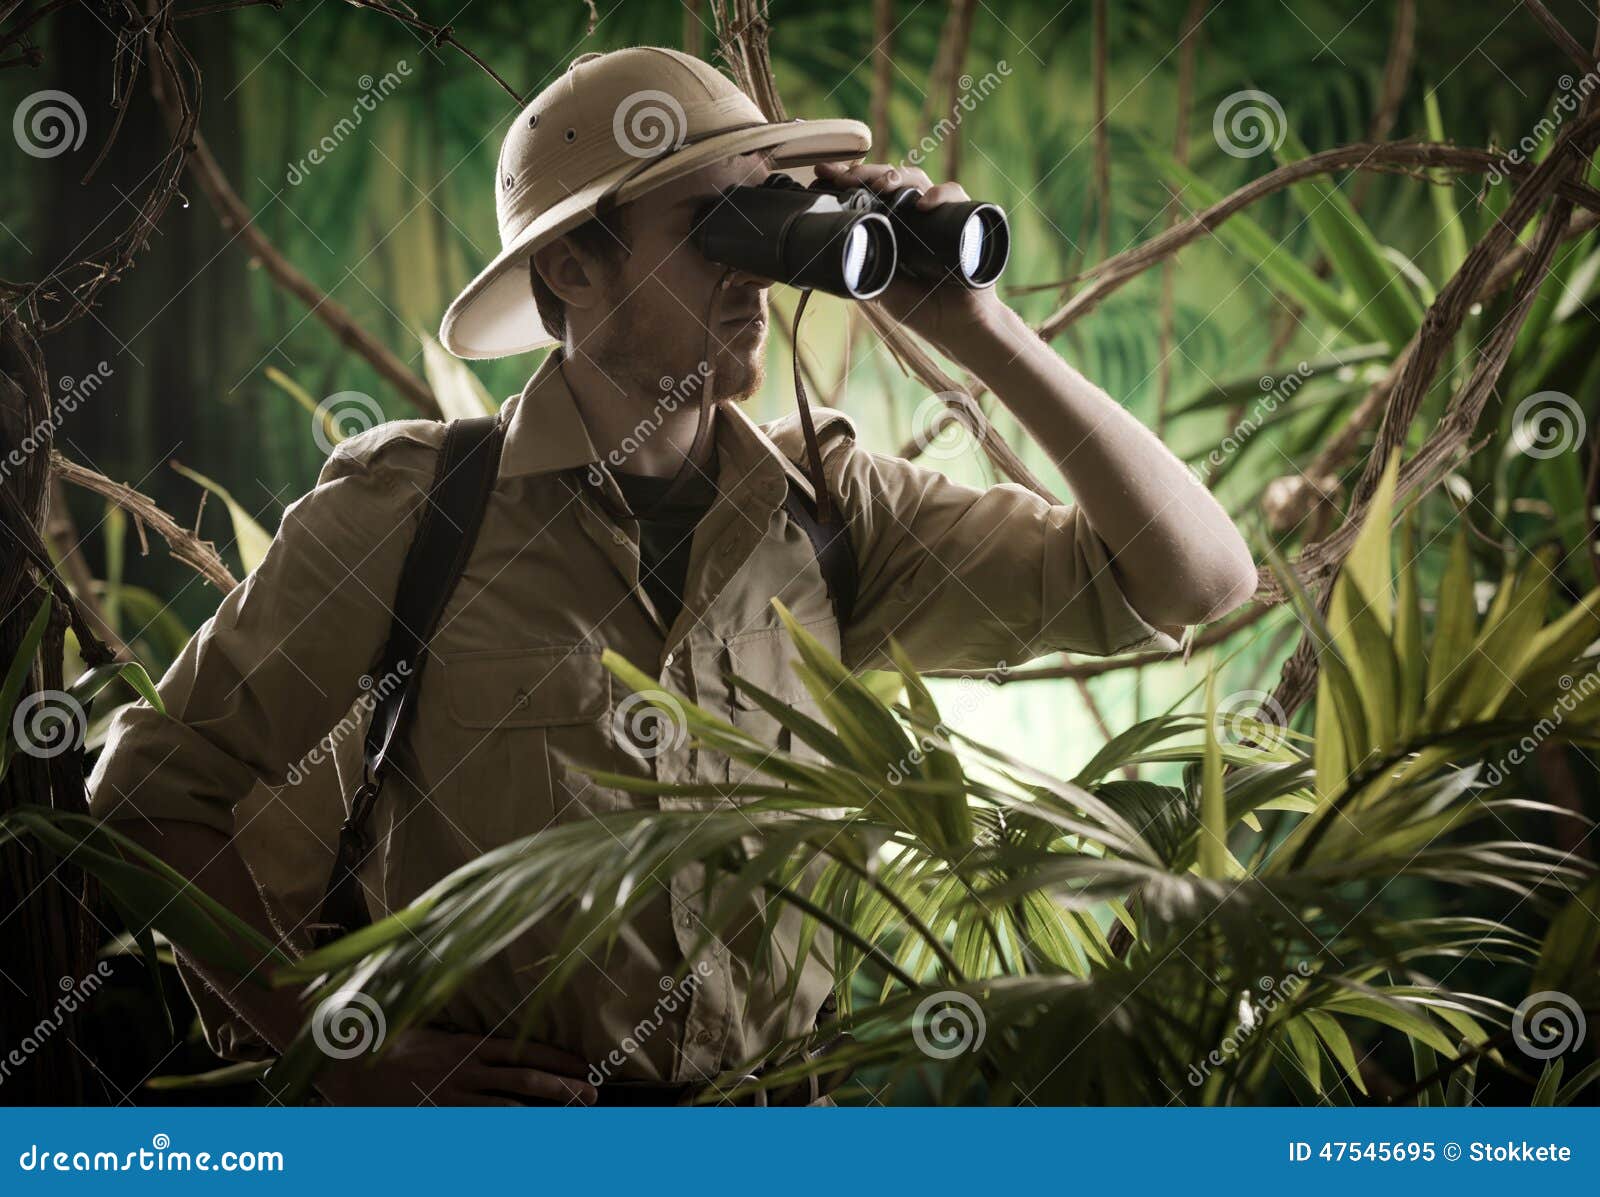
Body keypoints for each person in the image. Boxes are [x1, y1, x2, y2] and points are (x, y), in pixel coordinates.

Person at [88, 46, 1256, 1106]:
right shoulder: (416, 514)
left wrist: (975, 327)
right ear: (573, 273)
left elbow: (1196, 583)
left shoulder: (840, 518)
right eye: (715, 227)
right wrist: (332, 1046)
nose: (752, 273)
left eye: (768, 223)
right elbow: (149, 791)